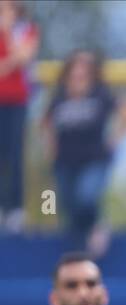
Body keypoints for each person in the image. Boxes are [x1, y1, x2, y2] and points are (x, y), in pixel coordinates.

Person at [41, 50, 126, 257]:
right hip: (65, 161)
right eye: (74, 73)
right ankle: (79, 252)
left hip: (95, 159)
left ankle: (97, 227)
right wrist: (51, 146)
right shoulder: (59, 98)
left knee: (86, 196)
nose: (78, 78)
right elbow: (46, 122)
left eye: (83, 74)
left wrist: (116, 138)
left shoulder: (101, 95)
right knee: (69, 205)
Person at [0, 0, 38, 234]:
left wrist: (6, 32)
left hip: (17, 101)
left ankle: (15, 210)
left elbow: (25, 57)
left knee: (14, 155)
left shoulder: (26, 29)